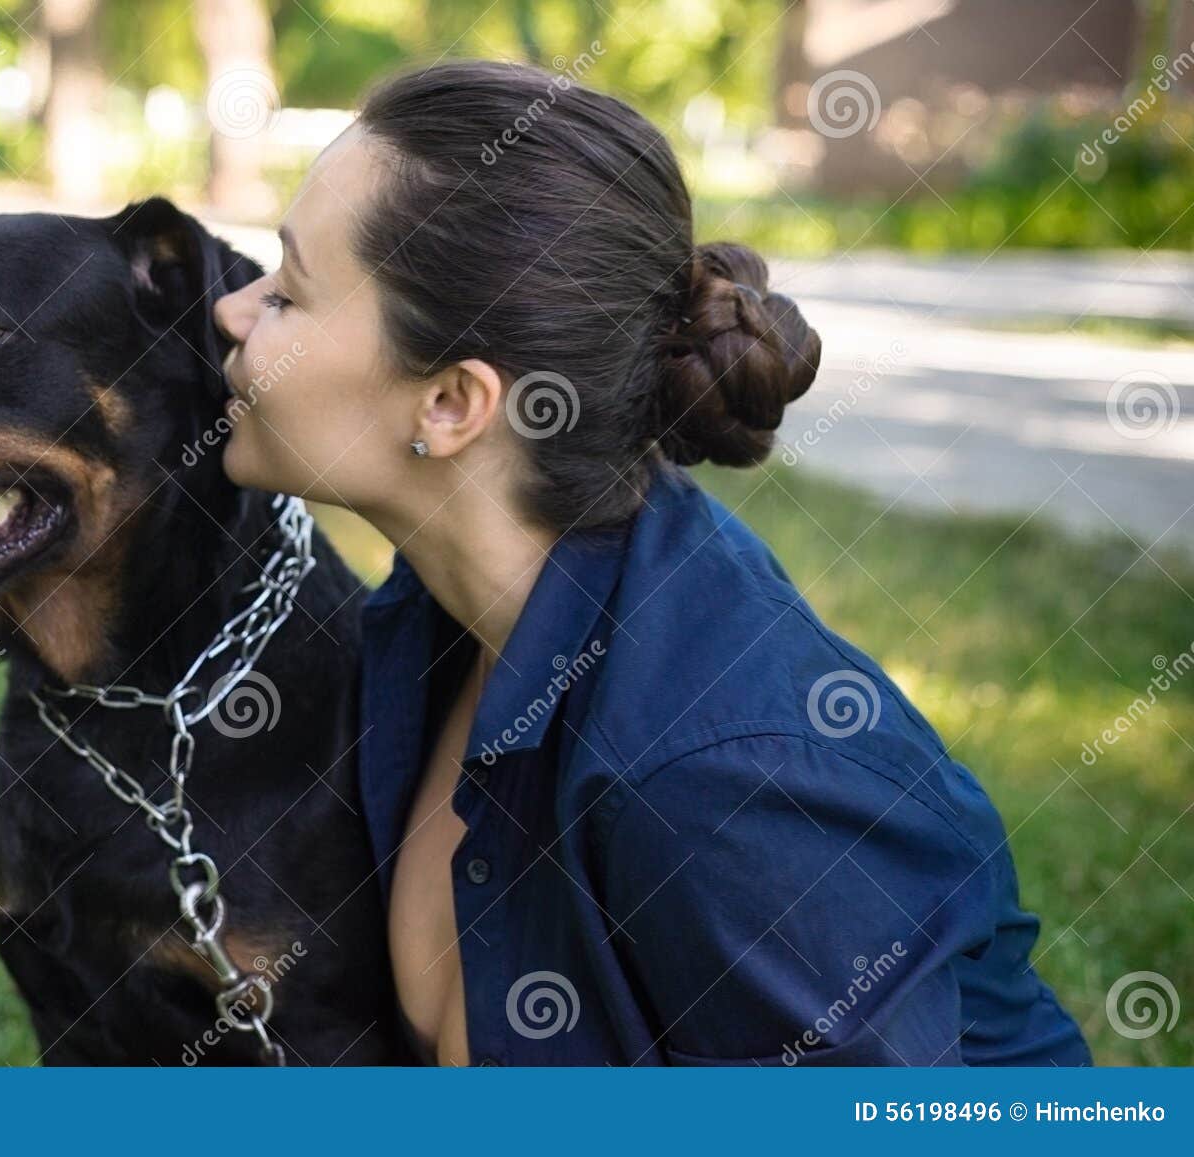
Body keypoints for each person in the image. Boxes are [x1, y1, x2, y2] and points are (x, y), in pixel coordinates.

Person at [212, 59, 1091, 1067]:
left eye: (289, 290)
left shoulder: (717, 774)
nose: (235, 310)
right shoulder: (432, 616)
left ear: (452, 403)